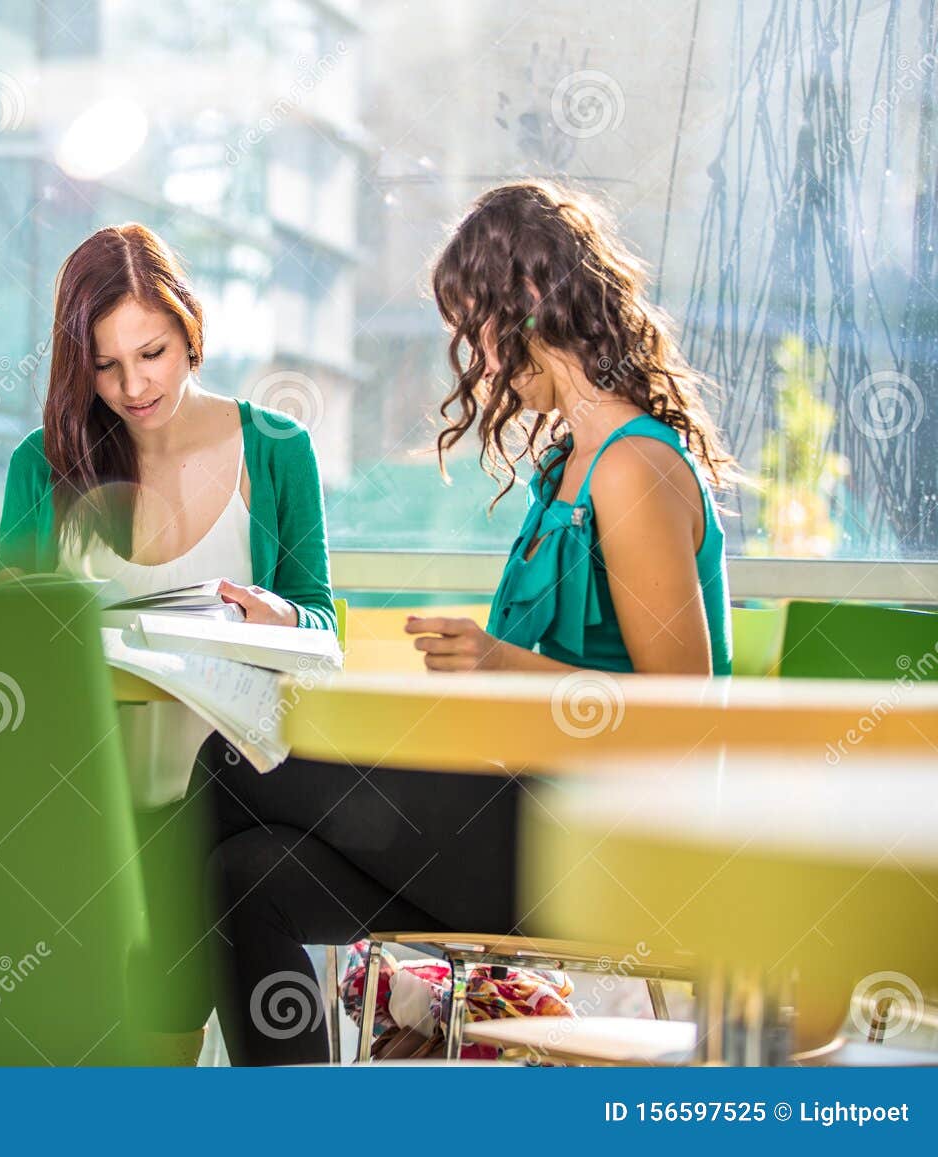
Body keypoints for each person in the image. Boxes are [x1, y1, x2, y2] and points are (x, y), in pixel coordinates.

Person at [201, 179, 737, 1065]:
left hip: (600, 846)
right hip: (525, 820)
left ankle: (109, 1022)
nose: (477, 364)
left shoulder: (633, 470)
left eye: (475, 329)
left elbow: (683, 713)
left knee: (230, 764)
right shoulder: (571, 466)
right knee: (246, 879)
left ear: (524, 310)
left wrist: (500, 664)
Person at [0, 222, 336, 1063]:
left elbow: (326, 624)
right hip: (91, 807)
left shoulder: (276, 449)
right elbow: (2, 644)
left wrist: (283, 618)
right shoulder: (44, 465)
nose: (133, 385)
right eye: (105, 366)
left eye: (152, 353)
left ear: (191, 333)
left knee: (221, 1035)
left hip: (236, 803)